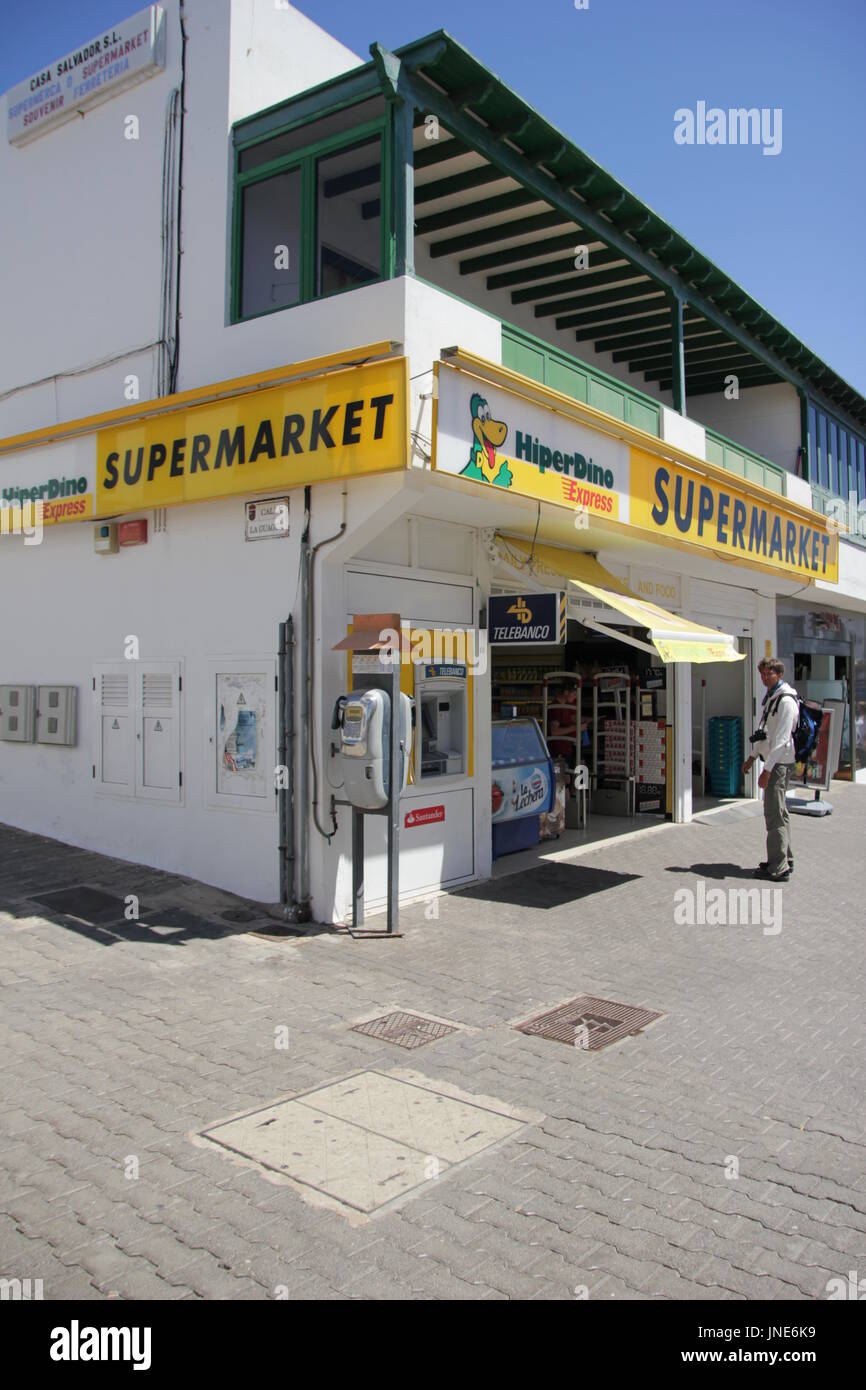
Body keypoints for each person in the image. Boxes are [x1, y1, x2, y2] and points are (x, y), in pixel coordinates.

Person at [742, 656, 797, 881]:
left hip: (779, 763)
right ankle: (783, 857)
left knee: (774, 814)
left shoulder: (785, 702)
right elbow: (767, 734)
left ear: (779, 674)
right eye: (763, 674)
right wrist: (753, 757)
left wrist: (766, 771)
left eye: (769, 674)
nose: (765, 678)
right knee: (780, 813)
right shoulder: (773, 698)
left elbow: (782, 739)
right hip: (774, 761)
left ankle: (779, 867)